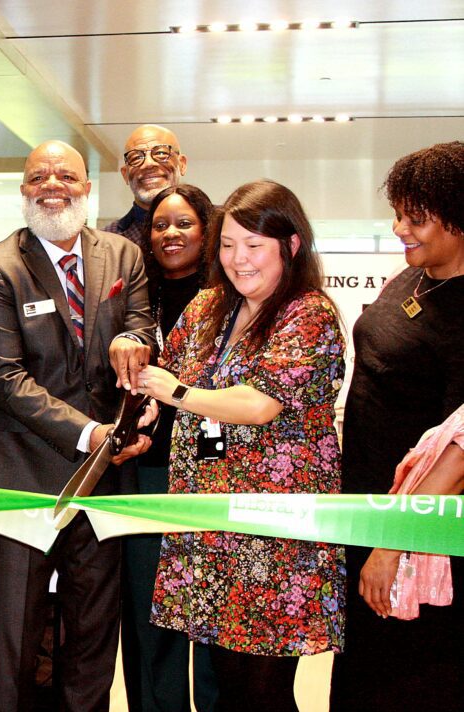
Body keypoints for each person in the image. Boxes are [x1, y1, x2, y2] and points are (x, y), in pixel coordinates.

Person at [138, 180, 345, 712]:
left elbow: (259, 405)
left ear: (291, 246)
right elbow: (164, 365)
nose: (238, 259)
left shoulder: (308, 313)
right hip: (209, 524)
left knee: (263, 691)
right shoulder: (209, 307)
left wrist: (178, 394)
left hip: (273, 533)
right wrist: (149, 393)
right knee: (228, 681)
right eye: (228, 245)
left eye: (254, 245)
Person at [0, 140, 155, 711]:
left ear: (88, 187)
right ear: (24, 190)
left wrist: (137, 356)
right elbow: (5, 381)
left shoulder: (125, 256)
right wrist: (92, 435)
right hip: (20, 477)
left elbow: (145, 329)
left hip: (106, 484)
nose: (53, 184)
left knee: (93, 637)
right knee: (12, 641)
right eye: (38, 176)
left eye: (66, 175)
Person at [330, 141, 464, 712]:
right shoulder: (411, 278)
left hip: (419, 533)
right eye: (399, 213)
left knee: (411, 678)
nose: (399, 227)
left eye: (417, 218)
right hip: (371, 513)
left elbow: (460, 451)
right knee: (362, 672)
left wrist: (394, 543)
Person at [122, 184, 218, 712]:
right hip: (147, 471)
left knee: (208, 611)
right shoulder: (135, 297)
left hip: (213, 472)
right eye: (160, 226)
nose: (171, 234)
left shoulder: (234, 295)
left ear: (207, 231)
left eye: (184, 224)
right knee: (149, 612)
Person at [106, 124, 188, 252]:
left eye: (161, 153)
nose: (148, 164)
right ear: (125, 174)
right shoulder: (108, 241)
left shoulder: (216, 225)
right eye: (136, 158)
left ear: (182, 164)